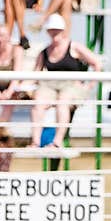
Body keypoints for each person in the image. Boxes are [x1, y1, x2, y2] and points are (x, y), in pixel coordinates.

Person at [30, 14, 101, 148]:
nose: (54, 32)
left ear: (63, 30)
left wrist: (89, 86)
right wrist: (20, 87)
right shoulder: (44, 51)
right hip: (49, 86)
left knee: (63, 102)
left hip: (70, 87)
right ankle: (35, 141)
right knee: (38, 103)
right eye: (51, 29)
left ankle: (57, 142)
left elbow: (96, 63)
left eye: (57, 29)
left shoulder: (74, 47)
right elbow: (35, 74)